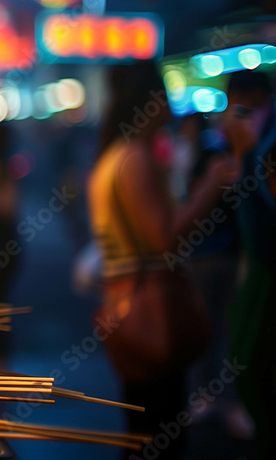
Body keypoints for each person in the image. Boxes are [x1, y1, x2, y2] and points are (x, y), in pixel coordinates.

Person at [87, 61, 235, 460]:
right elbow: (164, 237)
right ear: (149, 100)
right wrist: (210, 187)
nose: (171, 104)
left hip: (123, 304)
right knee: (161, 432)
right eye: (165, 93)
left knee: (143, 430)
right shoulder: (135, 158)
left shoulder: (112, 158)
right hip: (149, 308)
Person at [223, 69, 276, 455]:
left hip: (266, 265)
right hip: (257, 260)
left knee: (253, 360)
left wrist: (244, 156)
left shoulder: (263, 147)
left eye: (241, 108)